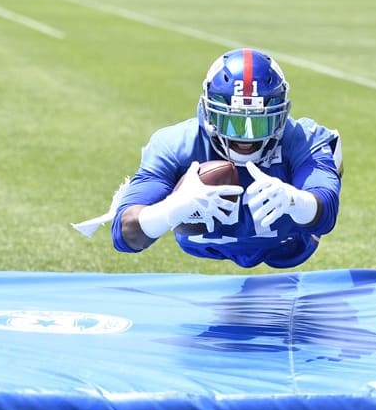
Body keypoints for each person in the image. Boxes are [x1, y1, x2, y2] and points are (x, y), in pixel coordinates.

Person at [76, 49, 342, 269]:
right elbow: (126, 234)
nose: (246, 139)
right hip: (201, 243)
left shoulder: (303, 138)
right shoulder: (176, 144)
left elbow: (327, 212)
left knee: (330, 158)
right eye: (232, 122)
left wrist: (296, 201)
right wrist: (170, 210)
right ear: (209, 112)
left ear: (281, 116)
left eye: (259, 125)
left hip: (288, 246)